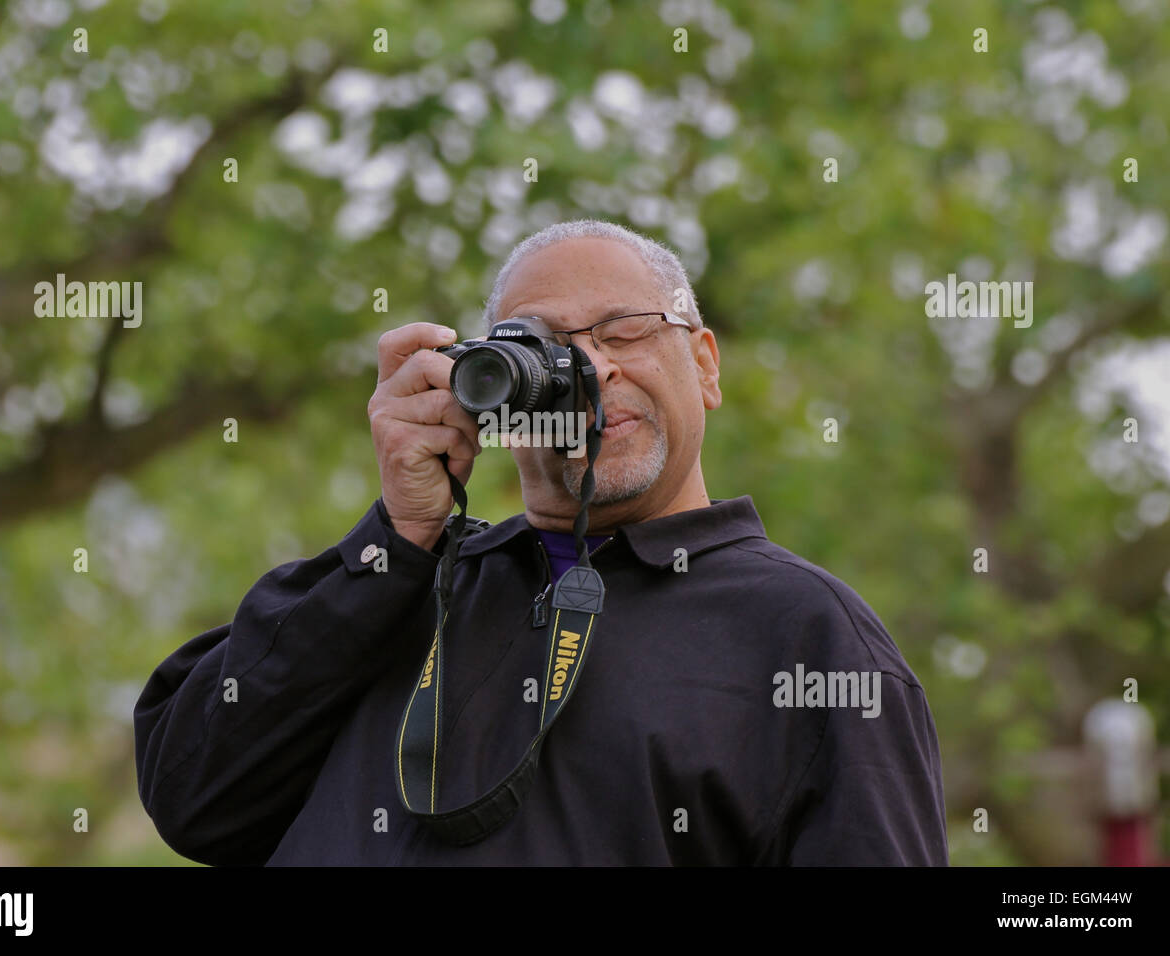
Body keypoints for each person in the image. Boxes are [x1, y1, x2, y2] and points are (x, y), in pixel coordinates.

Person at [134, 218, 950, 865]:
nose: (593, 371)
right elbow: (195, 799)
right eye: (545, 348)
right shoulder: (399, 587)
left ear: (704, 364)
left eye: (624, 332)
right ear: (489, 388)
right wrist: (399, 538)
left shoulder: (806, 634)